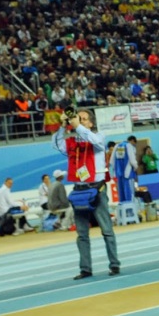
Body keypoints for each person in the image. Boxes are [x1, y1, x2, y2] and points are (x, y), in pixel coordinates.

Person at [52, 108, 120, 279]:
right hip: (80, 190)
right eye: (77, 118)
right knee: (82, 234)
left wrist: (79, 127)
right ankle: (85, 269)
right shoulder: (73, 143)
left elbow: (96, 142)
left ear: (91, 123)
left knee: (106, 230)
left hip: (96, 189)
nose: (79, 121)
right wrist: (62, 127)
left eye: (83, 119)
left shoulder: (98, 137)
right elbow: (55, 145)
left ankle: (114, 264)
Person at [113, 135, 140, 203]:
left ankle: (123, 206)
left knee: (121, 193)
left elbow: (112, 160)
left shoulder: (117, 146)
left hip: (119, 173)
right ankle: (131, 207)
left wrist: (114, 171)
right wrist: (136, 167)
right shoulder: (129, 146)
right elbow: (132, 160)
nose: (134, 145)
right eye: (134, 143)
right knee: (130, 192)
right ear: (132, 141)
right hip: (128, 173)